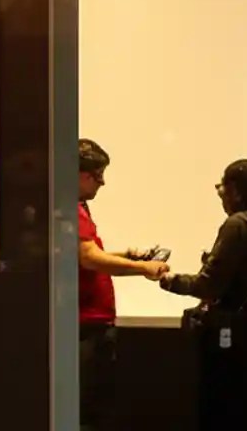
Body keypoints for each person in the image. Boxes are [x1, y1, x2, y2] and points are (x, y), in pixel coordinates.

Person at [159, 158, 247, 431]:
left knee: (223, 410)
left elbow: (210, 284)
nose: (222, 200)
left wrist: (170, 281)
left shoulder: (238, 225)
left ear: (236, 192)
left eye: (223, 192)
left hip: (236, 335)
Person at [77, 138, 169, 431]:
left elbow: (91, 255)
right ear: (79, 173)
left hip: (92, 324)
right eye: (97, 174)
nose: (102, 182)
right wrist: (143, 268)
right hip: (86, 326)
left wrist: (126, 256)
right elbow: (89, 259)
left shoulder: (78, 209)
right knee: (90, 408)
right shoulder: (70, 209)